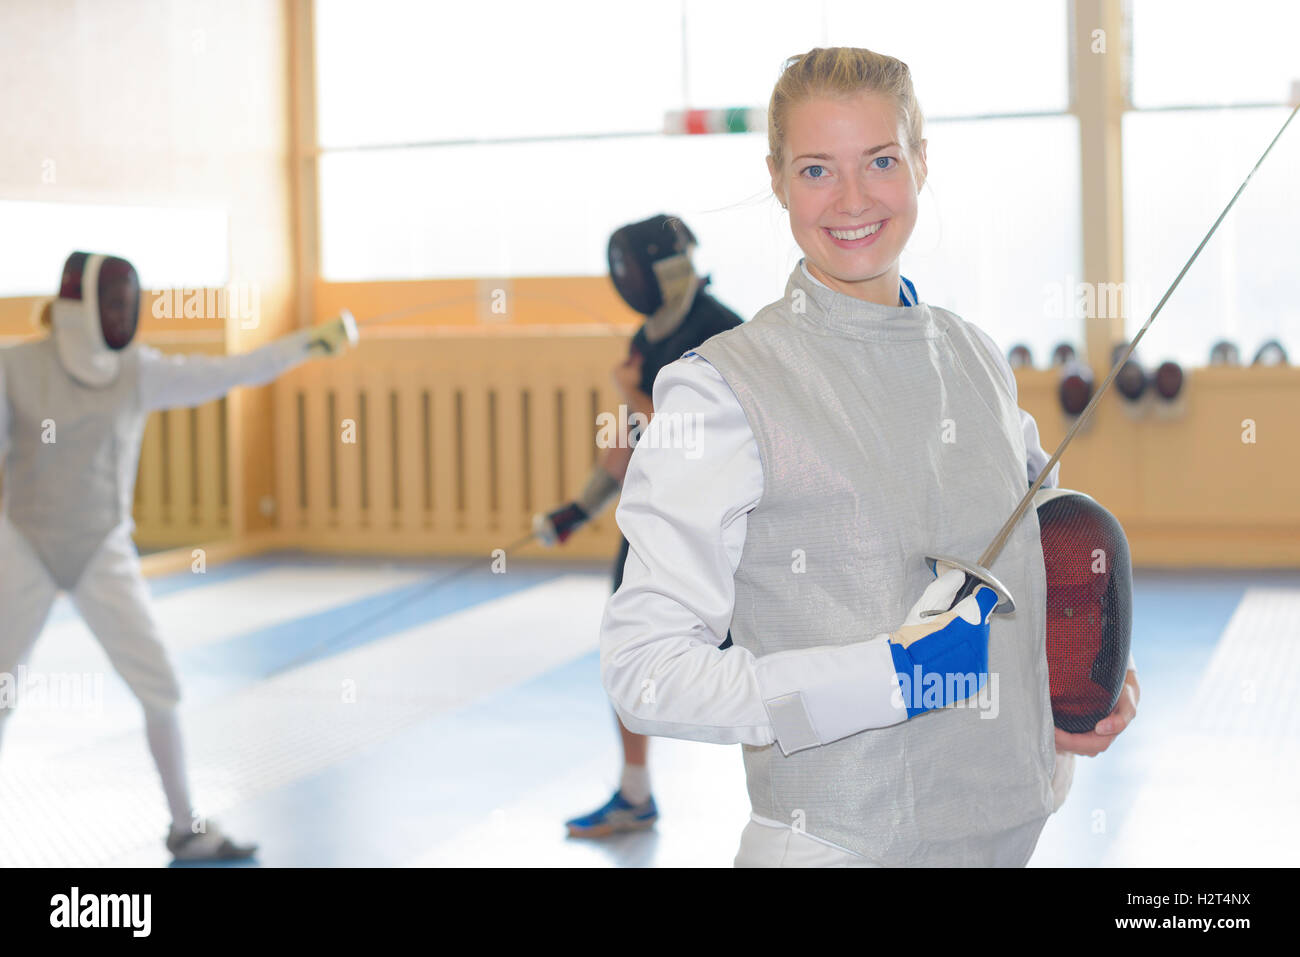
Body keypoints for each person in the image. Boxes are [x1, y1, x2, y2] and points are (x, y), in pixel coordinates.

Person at [599, 48, 1140, 867]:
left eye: (881, 160)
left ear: (921, 161)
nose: (853, 199)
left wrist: (1080, 682)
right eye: (818, 169)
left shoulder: (975, 357)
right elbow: (644, 671)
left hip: (1009, 829)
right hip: (836, 844)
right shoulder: (722, 390)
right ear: (778, 178)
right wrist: (886, 676)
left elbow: (1033, 569)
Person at [0, 251, 356, 862]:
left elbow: (232, 371)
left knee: (159, 685)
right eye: (111, 303)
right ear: (80, 306)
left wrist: (310, 343)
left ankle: (185, 827)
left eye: (126, 304)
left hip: (101, 544)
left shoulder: (137, 370)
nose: (121, 315)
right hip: (22, 541)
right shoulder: (13, 368)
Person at [533, 215, 743, 837]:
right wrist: (578, 509)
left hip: (726, 530)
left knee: (751, 664)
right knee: (627, 646)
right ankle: (634, 793)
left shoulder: (726, 332)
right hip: (654, 526)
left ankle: (792, 810)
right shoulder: (643, 340)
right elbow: (627, 442)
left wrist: (637, 400)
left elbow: (720, 440)